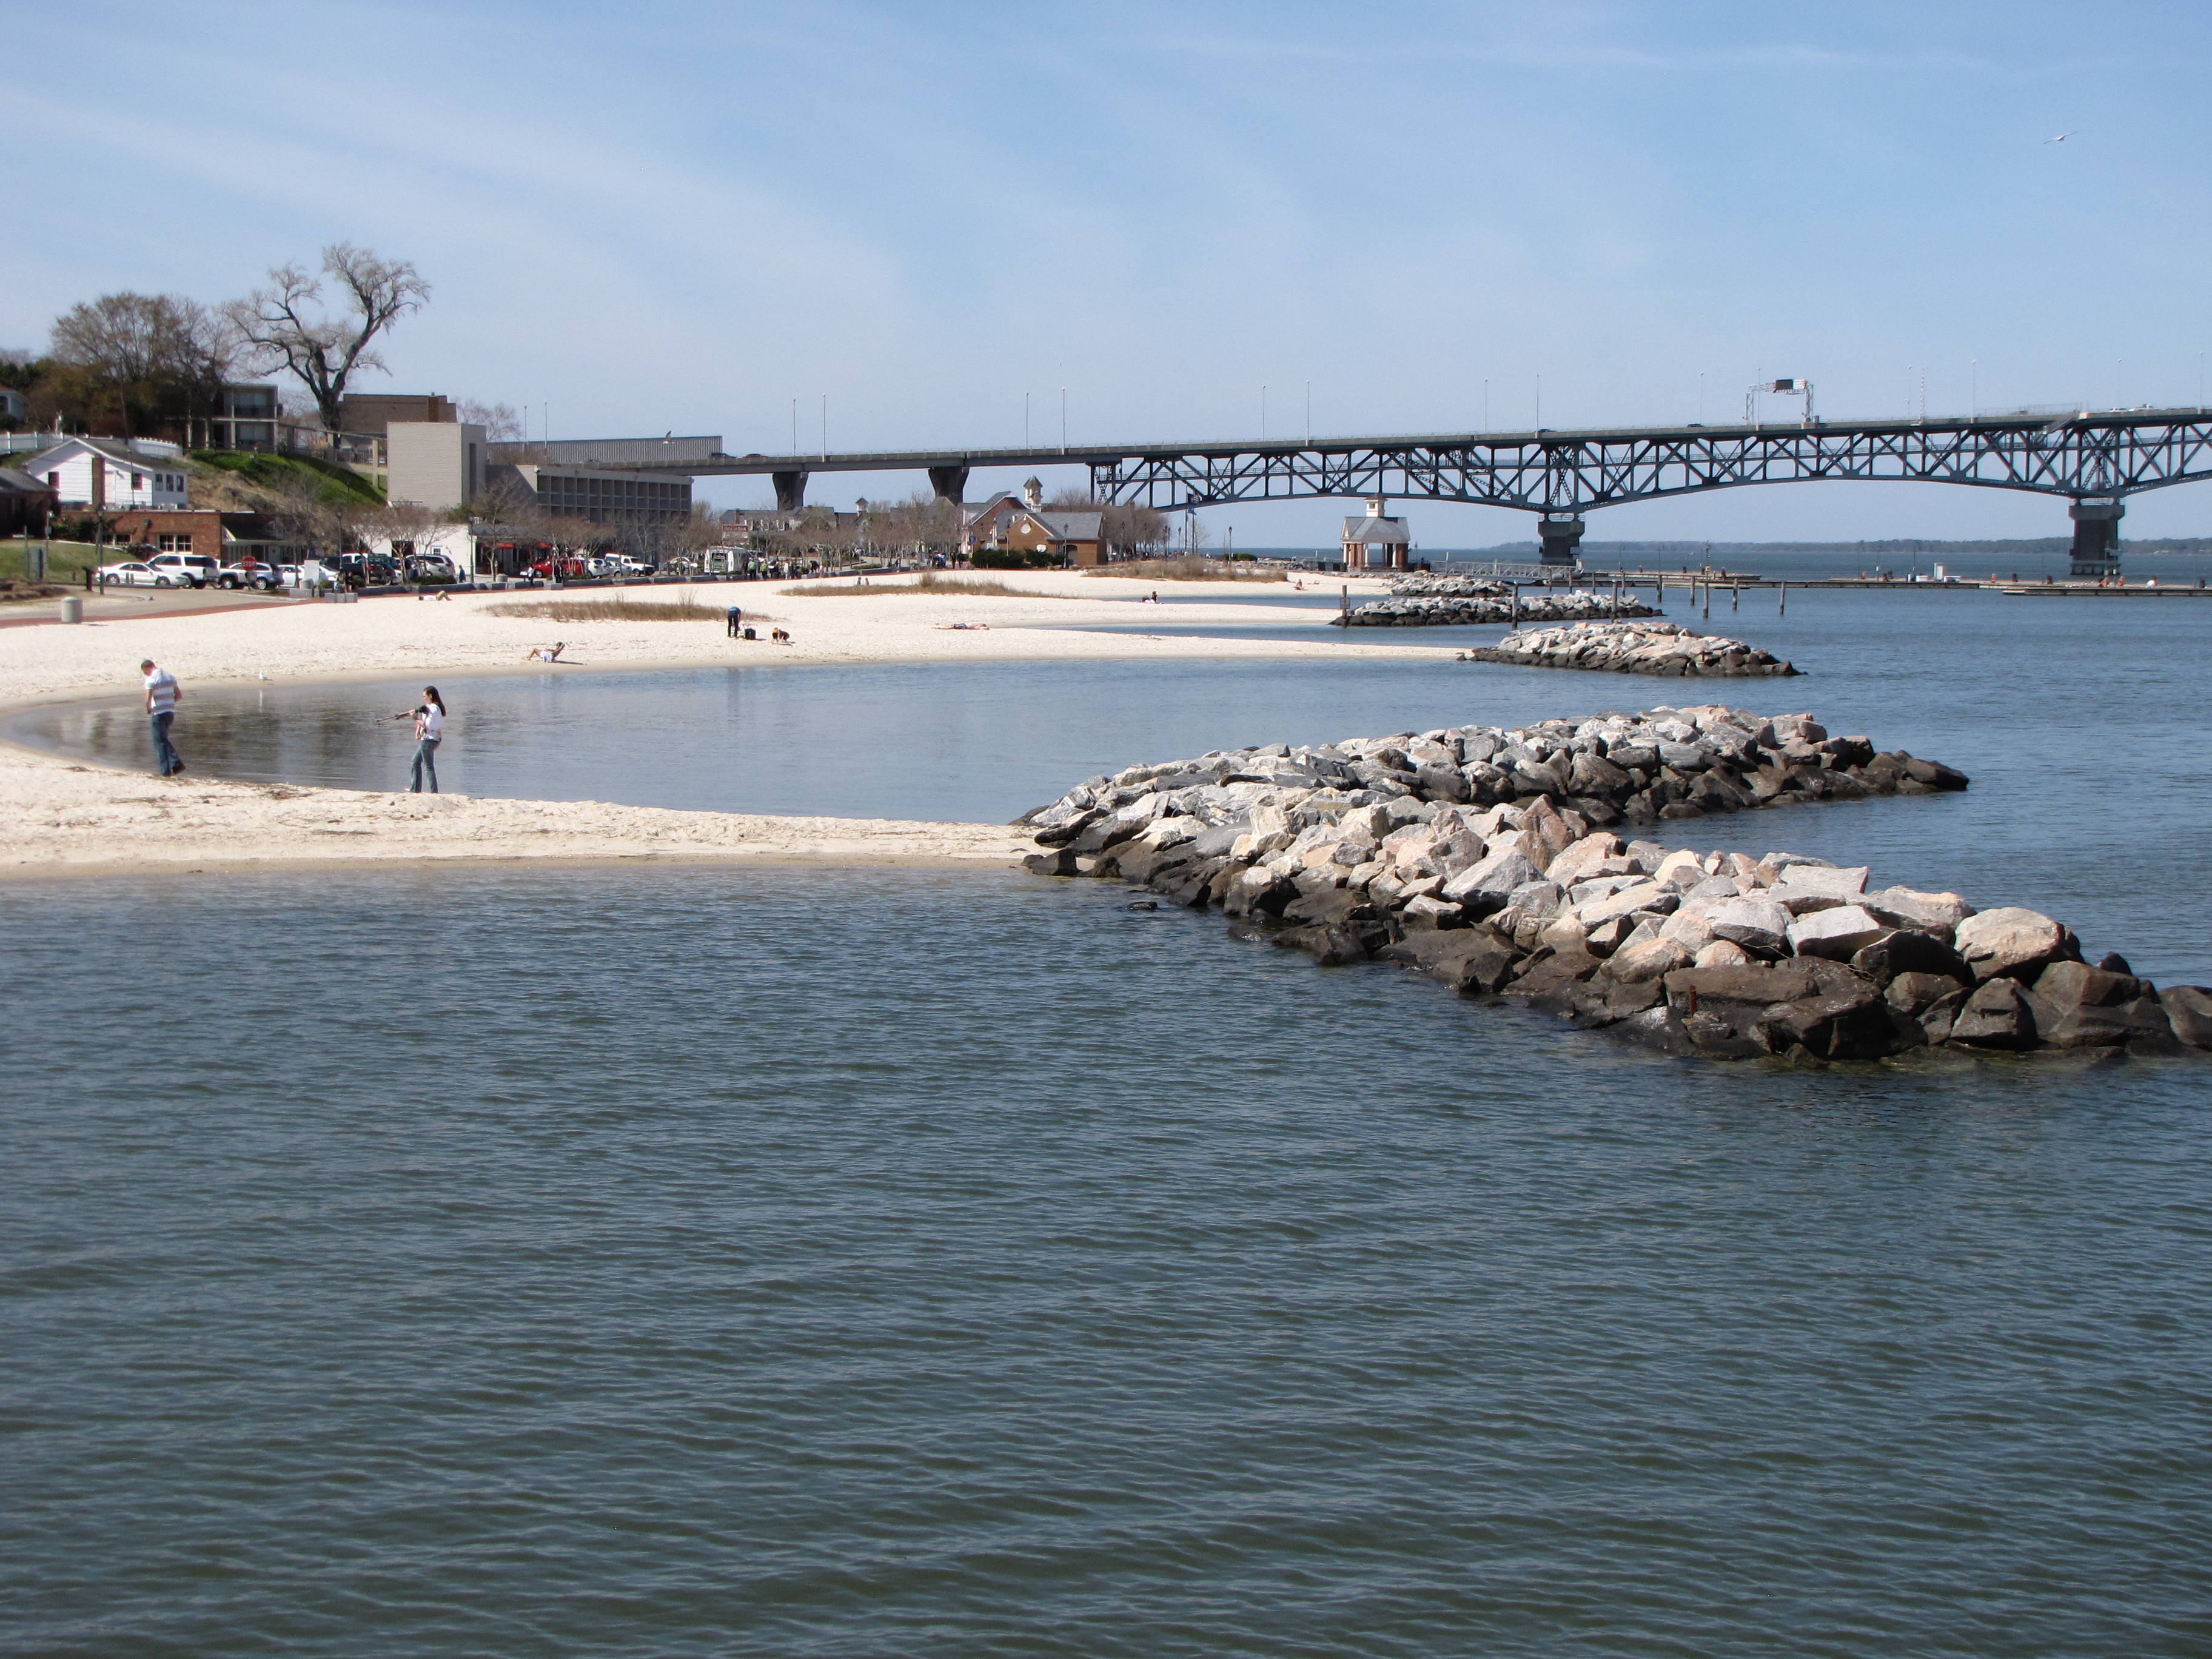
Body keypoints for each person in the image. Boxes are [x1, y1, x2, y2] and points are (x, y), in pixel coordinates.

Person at [395, 686, 447, 793]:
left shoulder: (433, 708)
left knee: (429, 767)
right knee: (415, 761)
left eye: (425, 696)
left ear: (430, 696)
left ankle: (434, 792)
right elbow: (424, 719)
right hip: (431, 739)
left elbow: (428, 725)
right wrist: (418, 730)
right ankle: (415, 789)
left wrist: (414, 718)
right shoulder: (430, 708)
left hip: (430, 740)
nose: (423, 698)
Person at [141, 658, 184, 777]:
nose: (146, 674)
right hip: (170, 712)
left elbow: (147, 698)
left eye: (145, 672)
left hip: (158, 713)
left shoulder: (151, 679)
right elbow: (179, 696)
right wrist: (170, 703)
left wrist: (149, 708)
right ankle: (175, 764)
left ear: (147, 668)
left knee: (159, 742)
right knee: (163, 739)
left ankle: (167, 770)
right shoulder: (171, 677)